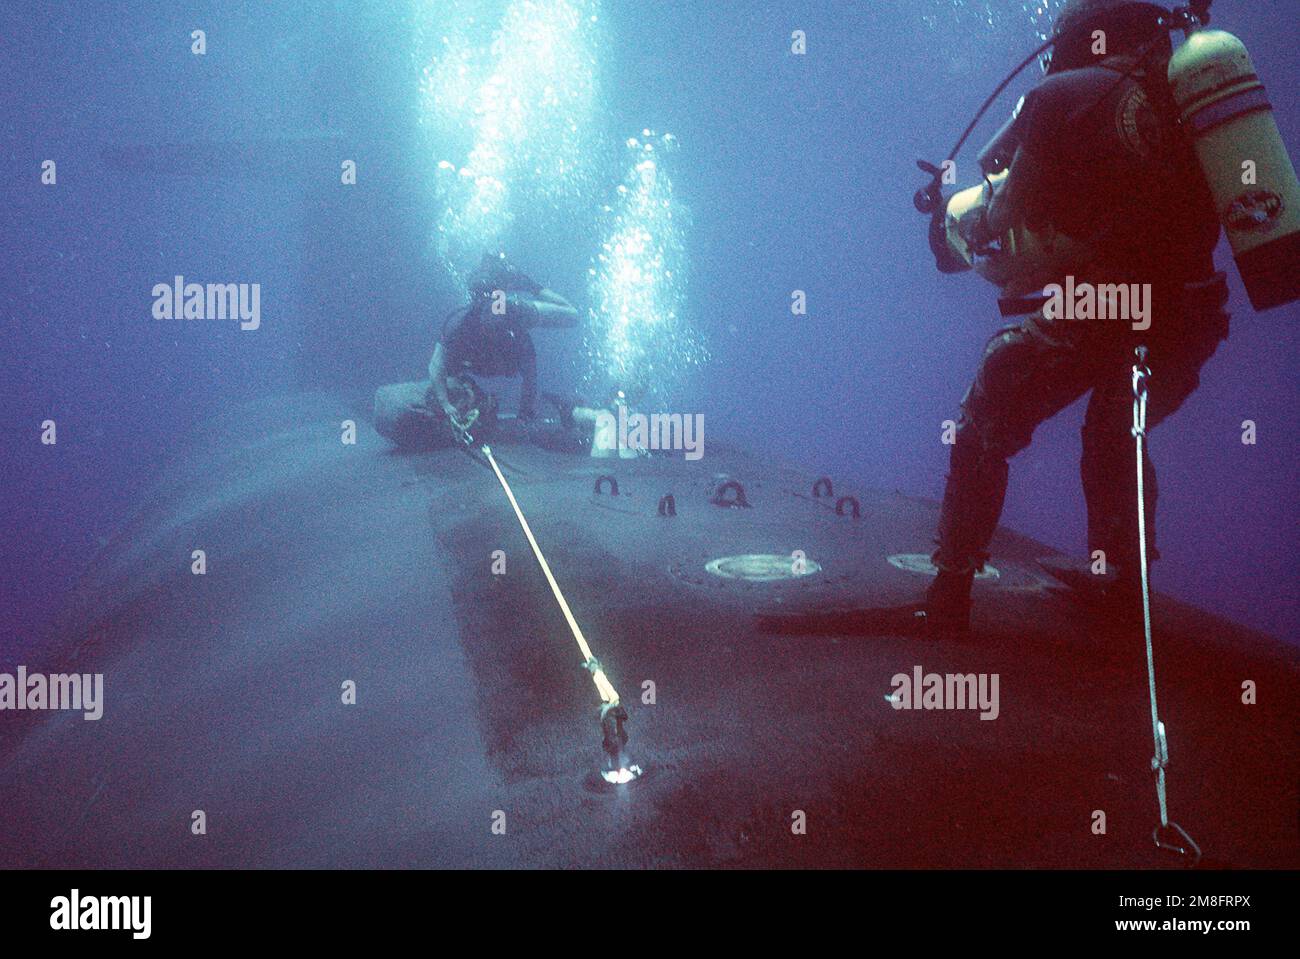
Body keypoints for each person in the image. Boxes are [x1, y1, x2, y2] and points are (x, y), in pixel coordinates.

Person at [918, 0, 1230, 634]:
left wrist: (955, 224)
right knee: (1117, 432)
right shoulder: (1191, 99)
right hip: (1190, 314)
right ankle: (1121, 586)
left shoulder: (1063, 94)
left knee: (996, 396)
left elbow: (1008, 222)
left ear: (1077, 37)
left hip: (1105, 307)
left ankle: (948, 595)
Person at [427, 252, 579, 435]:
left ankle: (513, 278)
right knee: (448, 369)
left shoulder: (516, 315)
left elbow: (571, 316)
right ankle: (467, 392)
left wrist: (532, 287)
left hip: (506, 337)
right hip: (482, 355)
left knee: (570, 317)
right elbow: (436, 366)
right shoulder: (459, 325)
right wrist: (446, 404)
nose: (493, 333)